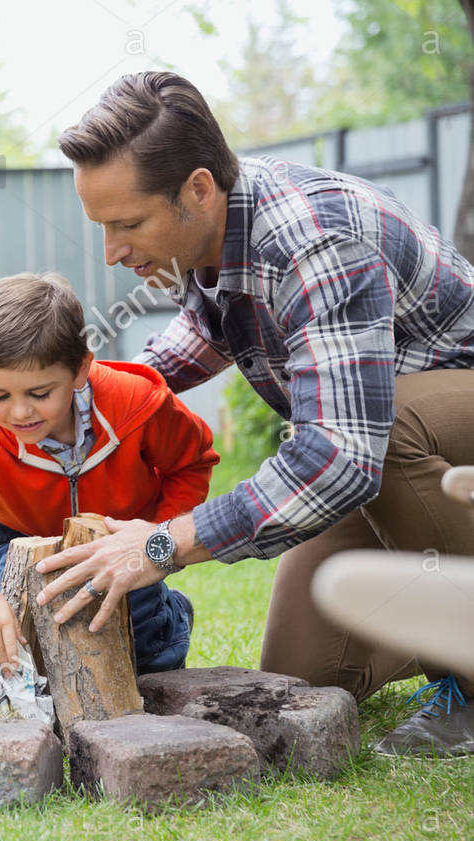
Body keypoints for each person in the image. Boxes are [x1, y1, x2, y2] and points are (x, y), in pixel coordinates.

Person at [41, 70, 474, 757]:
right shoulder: (213, 233)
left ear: (198, 188)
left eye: (126, 225)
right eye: (102, 227)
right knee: (303, 675)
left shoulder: (311, 242)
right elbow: (198, 340)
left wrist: (160, 545)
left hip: (438, 429)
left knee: (383, 438)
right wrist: (76, 400)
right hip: (391, 460)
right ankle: (444, 625)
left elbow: (337, 458)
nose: (112, 252)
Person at [0, 271, 219, 675]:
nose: (19, 412)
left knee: (146, 647)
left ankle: (168, 618)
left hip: (121, 533)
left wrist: (155, 534)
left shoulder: (137, 402)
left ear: (80, 370)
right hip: (24, 539)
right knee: (32, 652)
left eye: (39, 394)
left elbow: (192, 462)